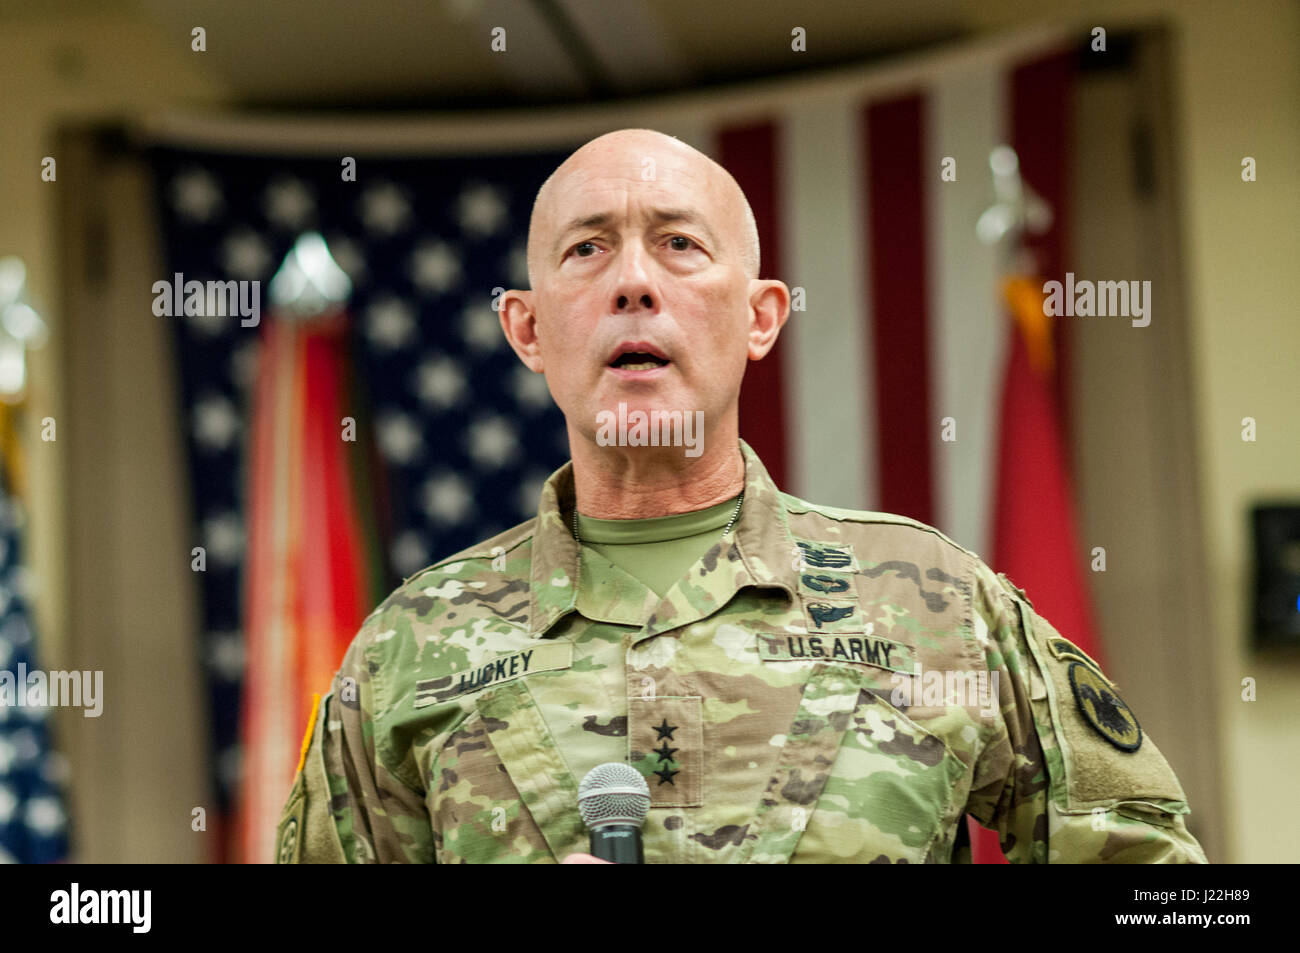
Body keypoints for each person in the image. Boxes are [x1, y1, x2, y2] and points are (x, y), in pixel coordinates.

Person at [274, 128, 1207, 864]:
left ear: (759, 317)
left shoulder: (936, 604)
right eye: (588, 250)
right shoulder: (410, 648)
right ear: (527, 329)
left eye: (678, 245)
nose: (634, 282)